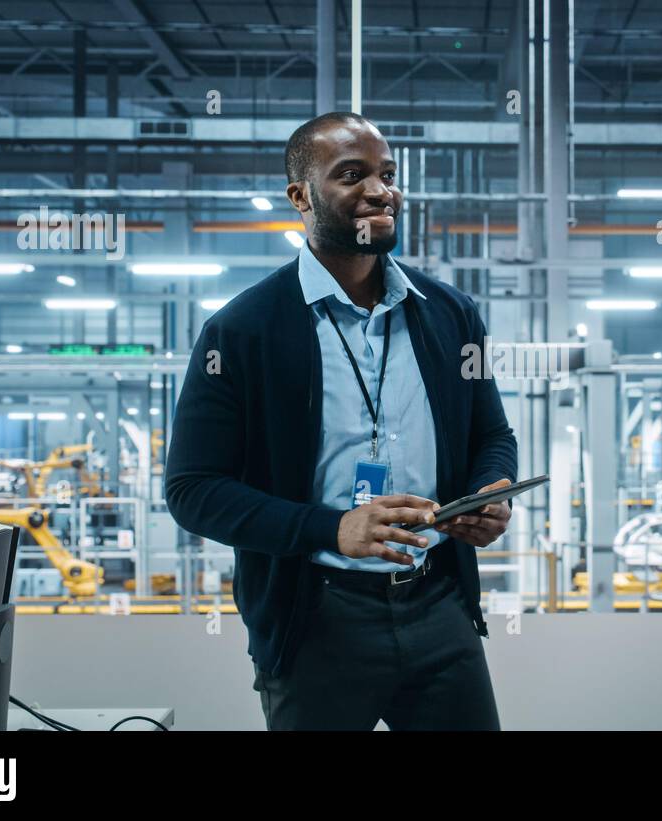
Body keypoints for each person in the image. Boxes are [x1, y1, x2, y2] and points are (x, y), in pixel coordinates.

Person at [165, 112, 517, 730]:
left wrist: (489, 491)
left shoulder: (451, 316)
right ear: (300, 197)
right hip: (314, 620)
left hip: (439, 605)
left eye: (387, 174)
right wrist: (332, 530)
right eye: (351, 175)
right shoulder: (243, 330)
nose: (379, 191)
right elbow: (194, 492)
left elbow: (492, 436)